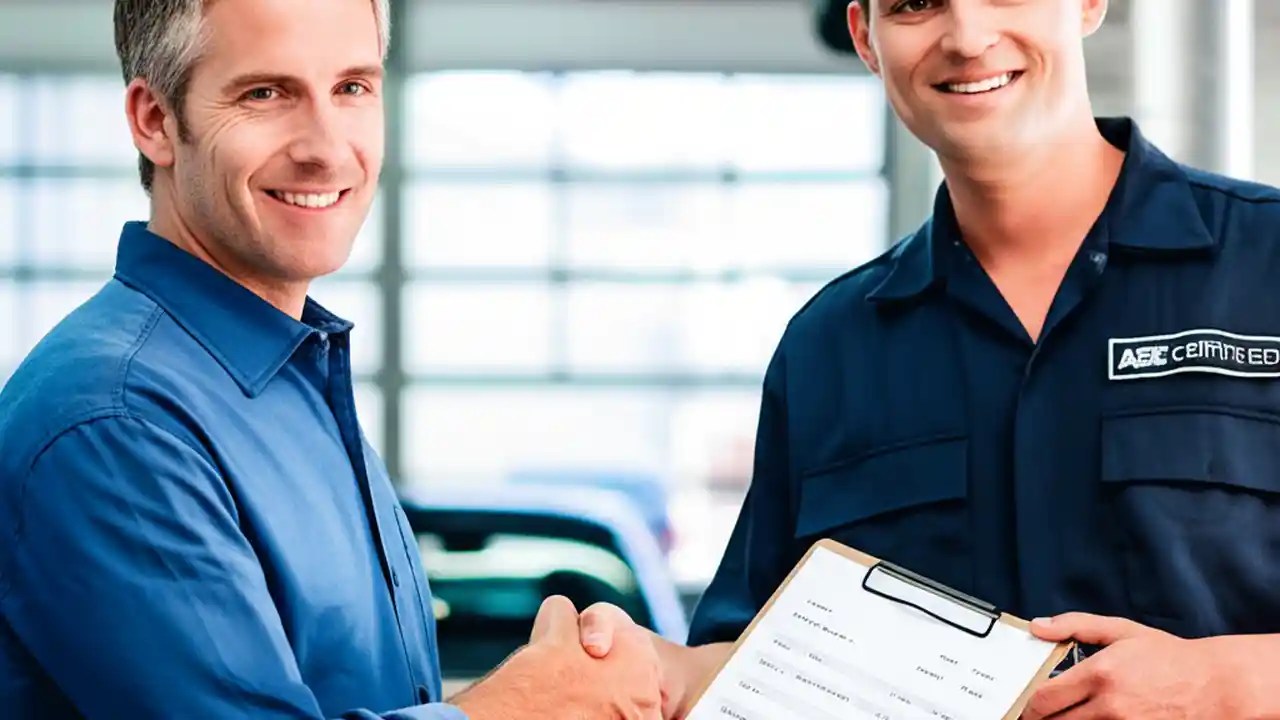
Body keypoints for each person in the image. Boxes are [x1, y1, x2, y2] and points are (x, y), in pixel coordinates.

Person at [583, 0, 1280, 717]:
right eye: (916, 4)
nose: (969, 38)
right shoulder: (829, 349)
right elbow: (758, 664)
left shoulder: (1269, 267)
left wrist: (1234, 680)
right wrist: (648, 668)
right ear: (866, 37)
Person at [0, 0, 662, 717]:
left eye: (352, 87)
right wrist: (530, 701)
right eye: (265, 93)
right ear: (155, 121)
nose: (326, 146)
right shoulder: (117, 422)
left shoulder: (287, 381)